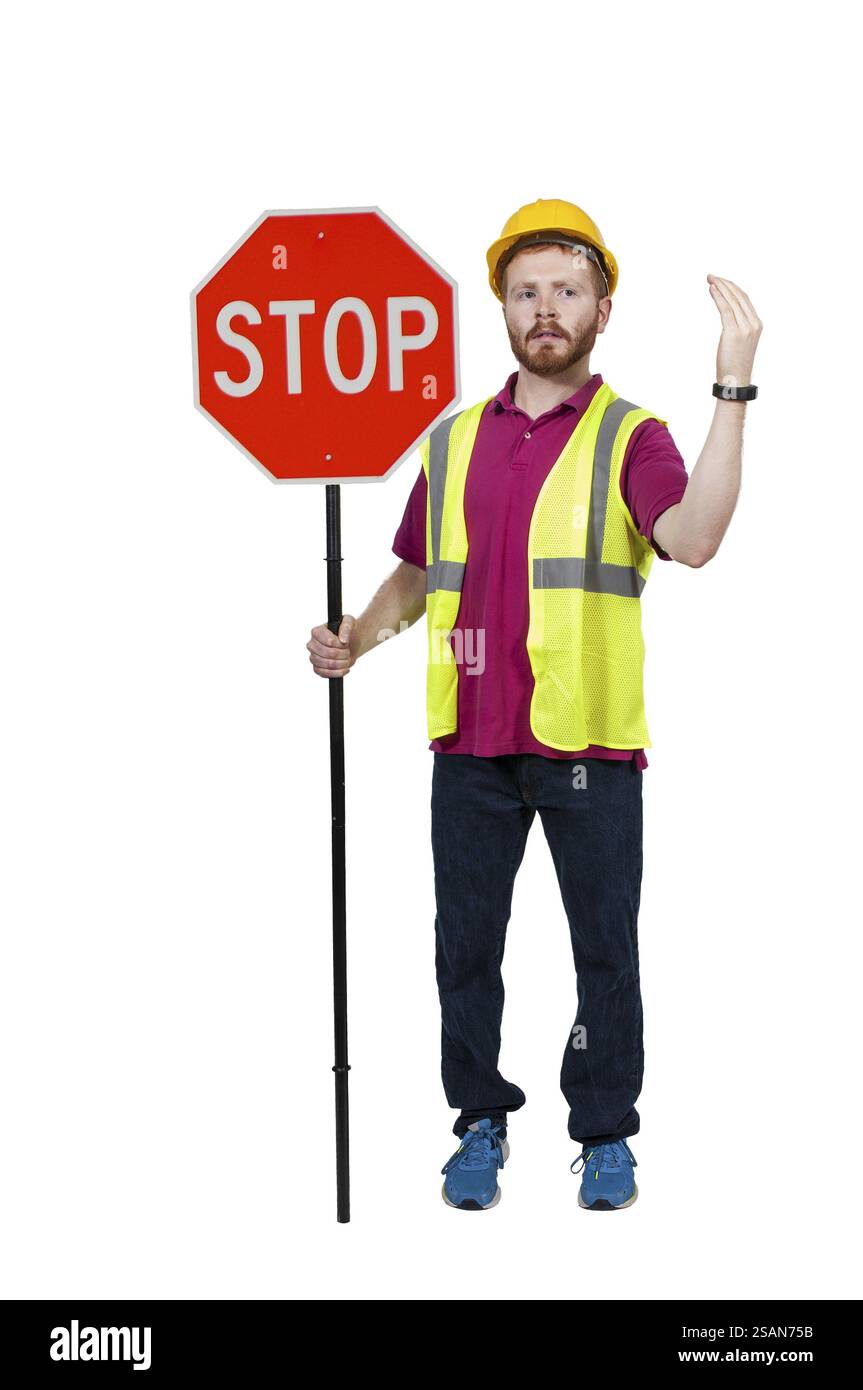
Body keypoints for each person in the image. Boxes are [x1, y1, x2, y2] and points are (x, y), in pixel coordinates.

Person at [307, 198, 762, 1212]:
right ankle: (477, 1118)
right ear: (501, 307)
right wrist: (357, 636)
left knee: (603, 950)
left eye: (565, 289)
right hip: (468, 742)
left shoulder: (630, 438)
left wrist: (729, 387)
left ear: (602, 309)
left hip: (587, 743)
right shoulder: (453, 438)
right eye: (524, 291)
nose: (543, 307)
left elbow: (690, 539)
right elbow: (417, 574)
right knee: (462, 946)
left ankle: (602, 1132)